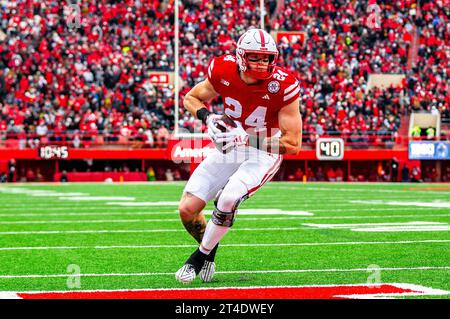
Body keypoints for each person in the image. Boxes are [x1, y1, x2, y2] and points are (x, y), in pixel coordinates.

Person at [175, 28, 302, 284]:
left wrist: (248, 138)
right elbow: (191, 98)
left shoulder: (284, 85)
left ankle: (199, 257)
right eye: (255, 57)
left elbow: (293, 144)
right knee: (187, 209)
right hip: (231, 145)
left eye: (266, 58)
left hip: (264, 149)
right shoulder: (223, 70)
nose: (261, 63)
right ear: (241, 56)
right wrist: (207, 116)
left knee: (229, 197)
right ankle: (211, 247)